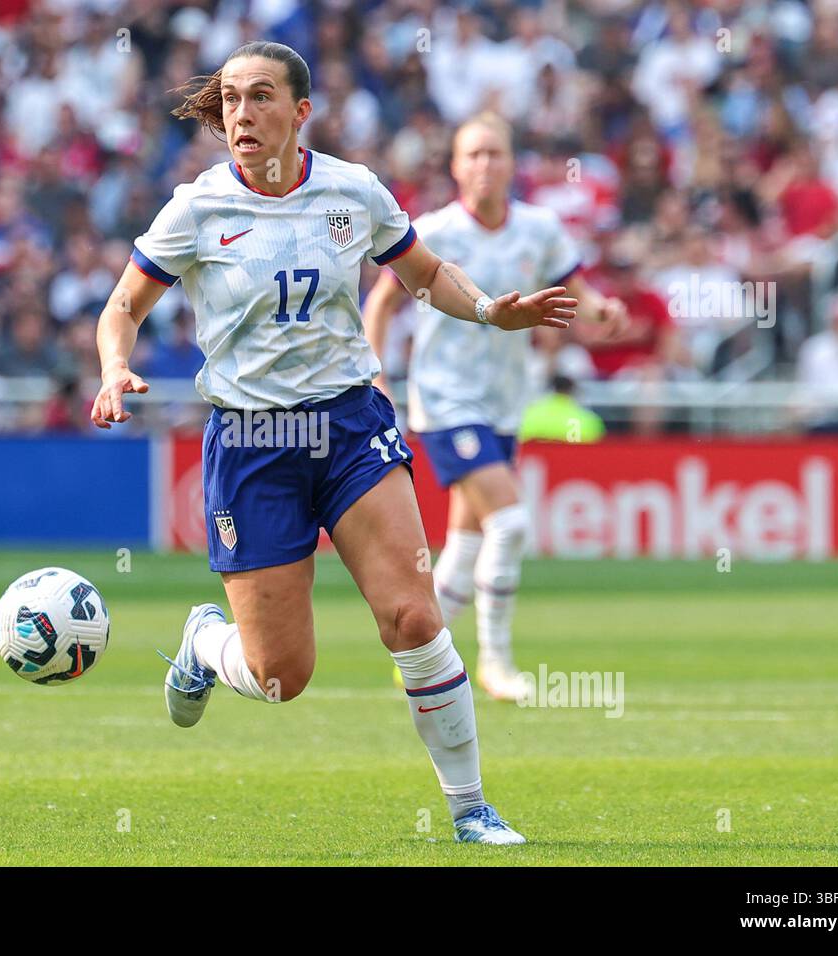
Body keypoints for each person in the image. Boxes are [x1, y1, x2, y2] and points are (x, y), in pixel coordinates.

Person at [90, 42, 576, 846]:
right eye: (232, 100)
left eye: (260, 98)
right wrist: (114, 368)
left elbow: (423, 275)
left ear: (300, 112)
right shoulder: (197, 207)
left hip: (349, 424)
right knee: (282, 677)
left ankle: (470, 809)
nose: (242, 115)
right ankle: (204, 642)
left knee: (414, 618)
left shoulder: (354, 191)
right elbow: (123, 305)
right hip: (252, 443)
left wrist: (490, 310)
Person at [362, 113, 626, 700]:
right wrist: (376, 374)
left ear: (512, 164)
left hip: (507, 400)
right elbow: (381, 303)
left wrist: (602, 308)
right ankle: (495, 663)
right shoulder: (434, 231)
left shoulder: (540, 229)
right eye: (474, 154)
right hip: (447, 399)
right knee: (510, 523)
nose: (485, 165)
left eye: (495, 154)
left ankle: (419, 656)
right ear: (456, 167)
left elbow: (574, 288)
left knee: (471, 542)